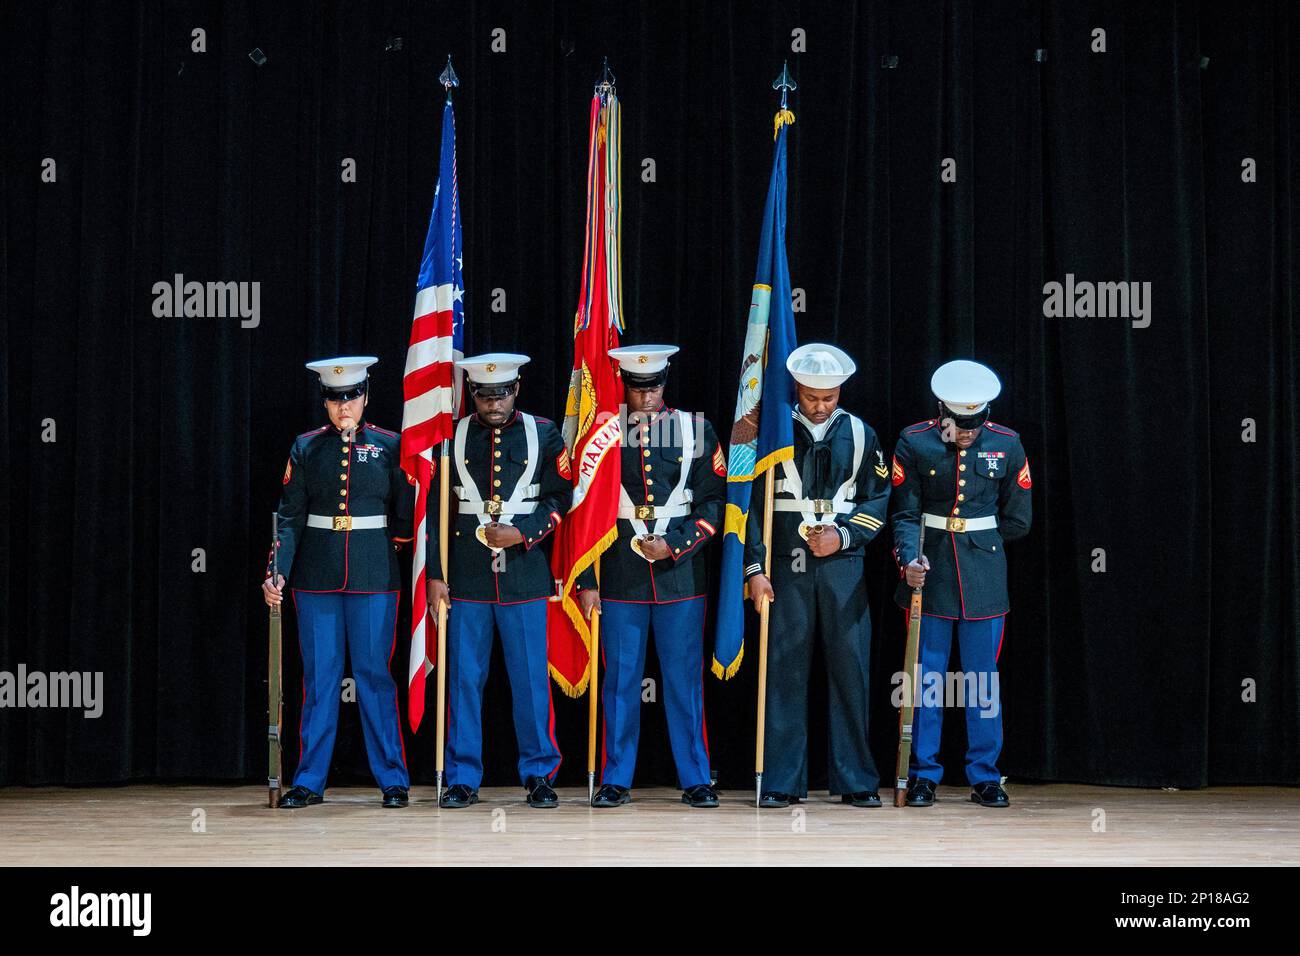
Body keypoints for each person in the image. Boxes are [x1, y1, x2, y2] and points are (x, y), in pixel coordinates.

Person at [577, 345, 726, 808]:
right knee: (620, 682)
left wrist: (677, 544)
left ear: (666, 382)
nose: (647, 397)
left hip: (680, 574)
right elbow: (582, 511)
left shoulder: (696, 430)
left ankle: (696, 778)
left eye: (655, 386)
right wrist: (586, 581)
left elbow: (714, 504)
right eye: (638, 388)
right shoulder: (601, 432)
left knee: (684, 681)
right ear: (624, 383)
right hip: (620, 573)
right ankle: (615, 778)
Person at [262, 356, 413, 809]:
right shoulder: (306, 447)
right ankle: (308, 780)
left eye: (351, 396)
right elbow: (289, 517)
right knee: (320, 679)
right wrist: (278, 570)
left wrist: (398, 551)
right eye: (335, 397)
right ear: (325, 401)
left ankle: (393, 779)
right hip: (316, 577)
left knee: (374, 677)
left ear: (365, 396)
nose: (343, 405)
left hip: (373, 574)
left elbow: (404, 513)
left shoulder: (391, 445)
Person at [745, 343, 890, 808]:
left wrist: (844, 537)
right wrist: (755, 568)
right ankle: (782, 781)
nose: (821, 405)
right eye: (811, 397)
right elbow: (748, 507)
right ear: (797, 391)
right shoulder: (771, 433)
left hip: (842, 566)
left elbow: (878, 500)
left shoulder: (864, 434)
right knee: (784, 670)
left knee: (851, 671)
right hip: (786, 565)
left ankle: (856, 780)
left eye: (828, 397)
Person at [429, 353, 570, 809]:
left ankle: (539, 773)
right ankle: (462, 776)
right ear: (472, 394)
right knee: (464, 681)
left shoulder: (544, 433)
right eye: (485, 395)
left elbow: (562, 496)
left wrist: (525, 532)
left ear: (517, 389)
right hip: (466, 577)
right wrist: (434, 574)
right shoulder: (449, 435)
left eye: (502, 393)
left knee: (531, 681)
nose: (494, 403)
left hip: (525, 576)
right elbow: (433, 512)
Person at [890, 359, 1032, 808]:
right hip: (930, 573)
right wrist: (909, 559)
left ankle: (986, 775)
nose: (967, 432)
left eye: (976, 422)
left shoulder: (1007, 444)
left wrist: (977, 541)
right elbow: (906, 513)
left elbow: (1018, 519)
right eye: (959, 423)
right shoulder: (915, 441)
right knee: (926, 680)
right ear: (941, 412)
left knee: (982, 682)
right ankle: (923, 775)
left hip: (984, 576)